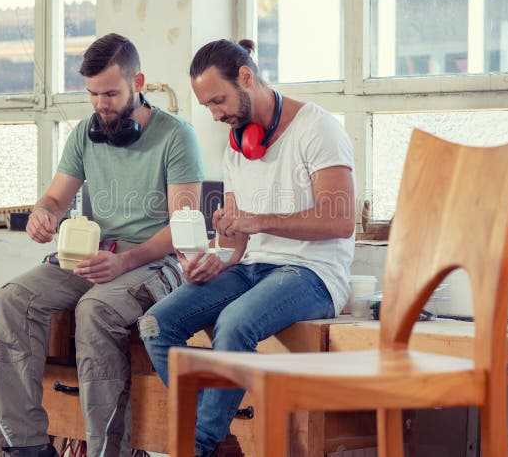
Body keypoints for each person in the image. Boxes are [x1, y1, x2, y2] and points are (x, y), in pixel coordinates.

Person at [139, 39, 356, 457]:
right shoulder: (237, 146)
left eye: (219, 100)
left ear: (246, 77)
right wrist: (217, 257)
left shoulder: (318, 128)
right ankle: (218, 441)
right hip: (253, 267)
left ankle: (198, 447)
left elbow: (340, 219)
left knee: (234, 324)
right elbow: (237, 243)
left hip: (311, 274)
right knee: (155, 324)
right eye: (208, 107)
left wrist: (258, 221)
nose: (217, 114)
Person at [0, 33, 205, 457]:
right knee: (13, 299)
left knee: (96, 310)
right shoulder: (85, 134)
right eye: (92, 94)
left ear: (137, 81)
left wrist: (124, 262)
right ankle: (26, 447)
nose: (101, 104)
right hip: (96, 257)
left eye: (111, 93)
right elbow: (55, 197)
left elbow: (184, 228)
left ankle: (107, 452)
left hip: (156, 261)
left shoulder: (177, 136)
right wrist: (44, 214)